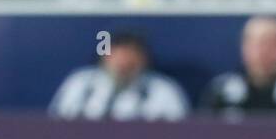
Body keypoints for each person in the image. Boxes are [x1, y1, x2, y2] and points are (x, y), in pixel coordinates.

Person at [50, 32, 189, 120]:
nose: (123, 62)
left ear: (144, 60)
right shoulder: (80, 83)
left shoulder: (163, 89)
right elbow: (57, 122)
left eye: (131, 56)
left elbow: (179, 132)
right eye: (117, 55)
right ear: (104, 58)